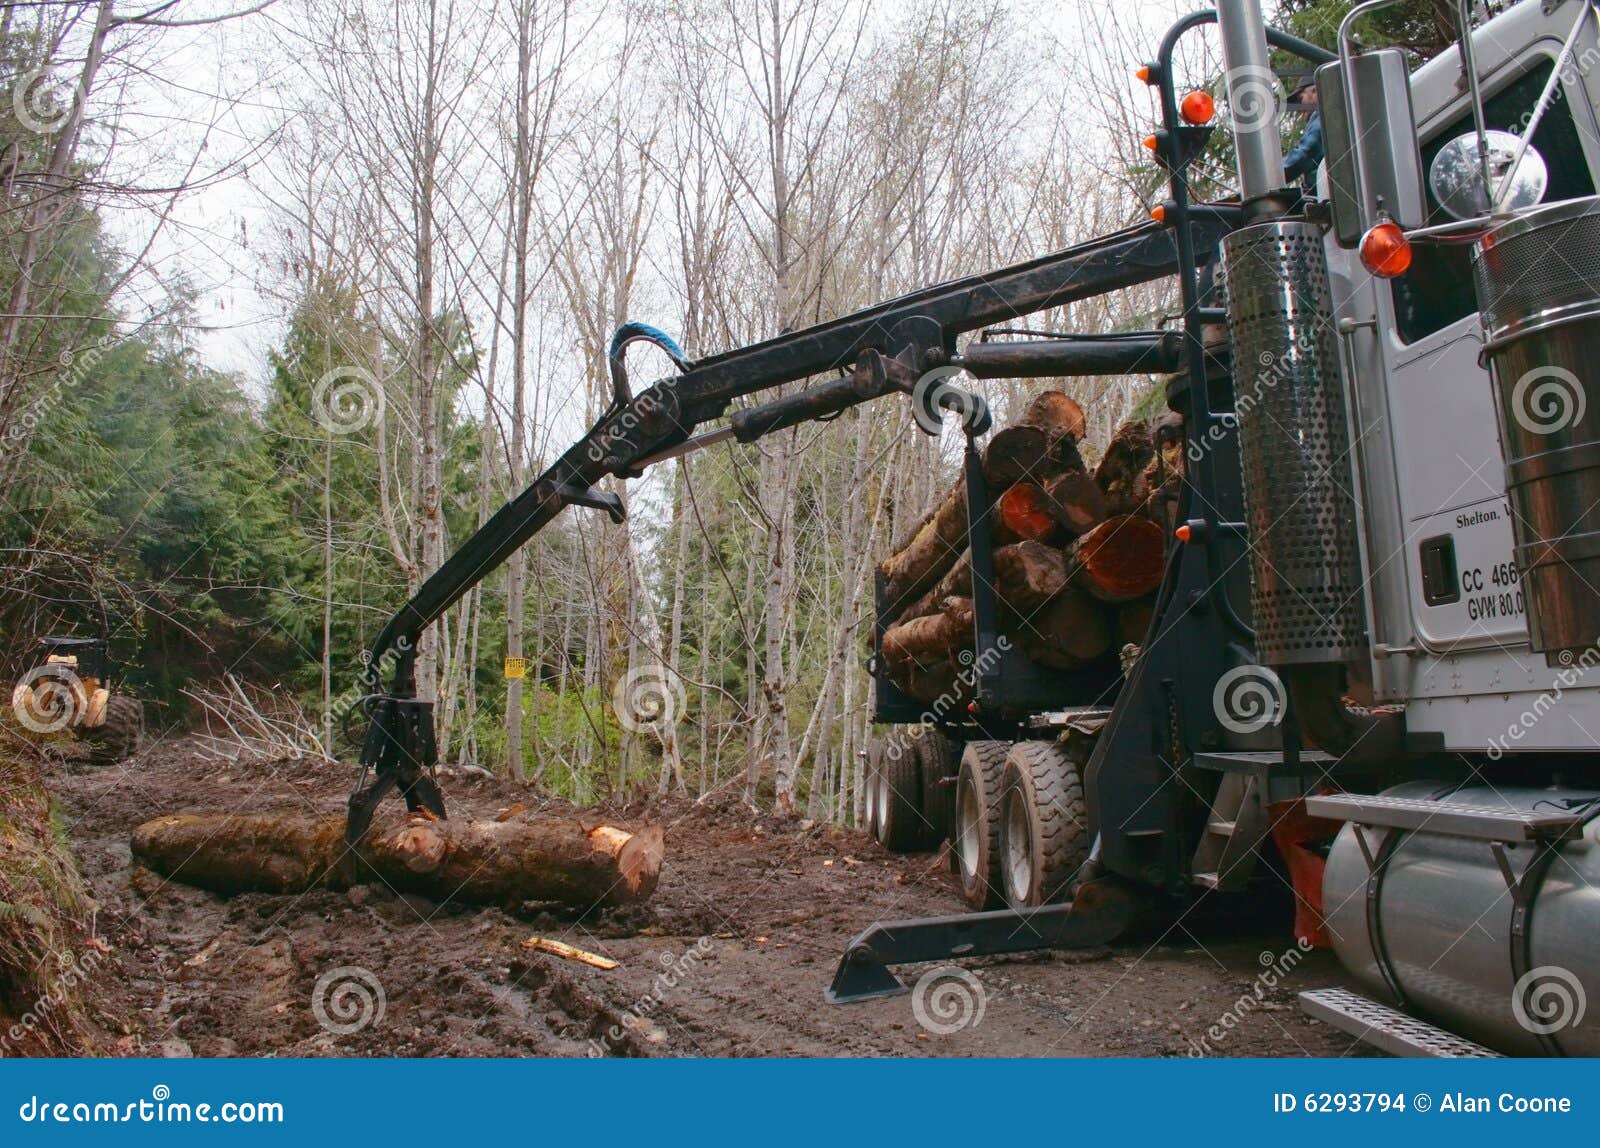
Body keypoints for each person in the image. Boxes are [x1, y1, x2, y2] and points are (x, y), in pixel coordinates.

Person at [1283, 77, 1323, 185]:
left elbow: (1305, 153)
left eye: (1300, 100)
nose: (1299, 109)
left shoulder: (1323, 116)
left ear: (1315, 91)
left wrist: (1269, 174)